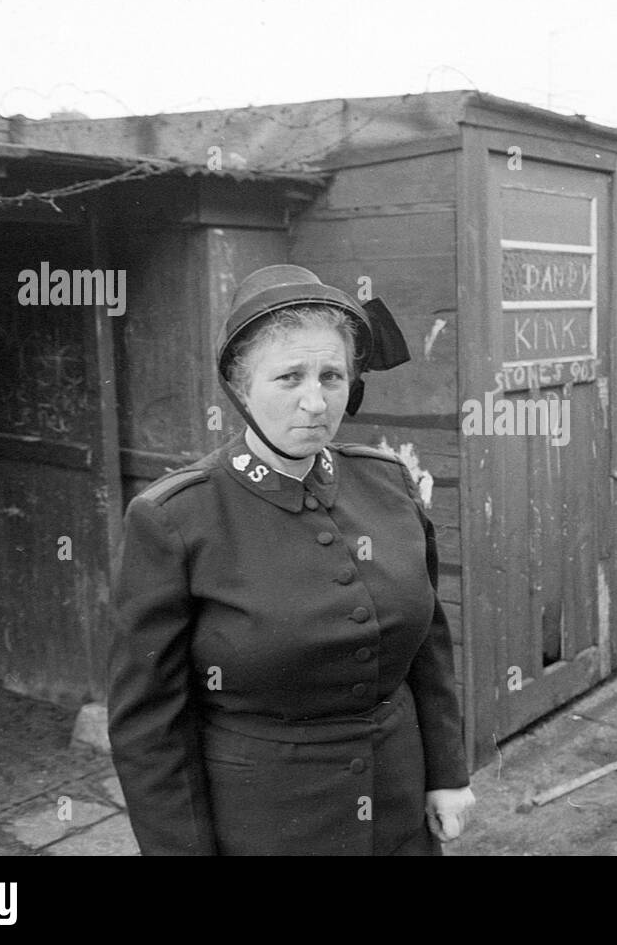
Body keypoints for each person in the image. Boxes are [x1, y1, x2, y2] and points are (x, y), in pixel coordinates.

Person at [107, 264, 475, 855]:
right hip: (268, 823)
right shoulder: (176, 518)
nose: (314, 401)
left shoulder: (387, 484)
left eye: (331, 375)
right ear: (239, 387)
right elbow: (149, 721)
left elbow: (428, 644)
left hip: (399, 808)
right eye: (288, 377)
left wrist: (447, 775)